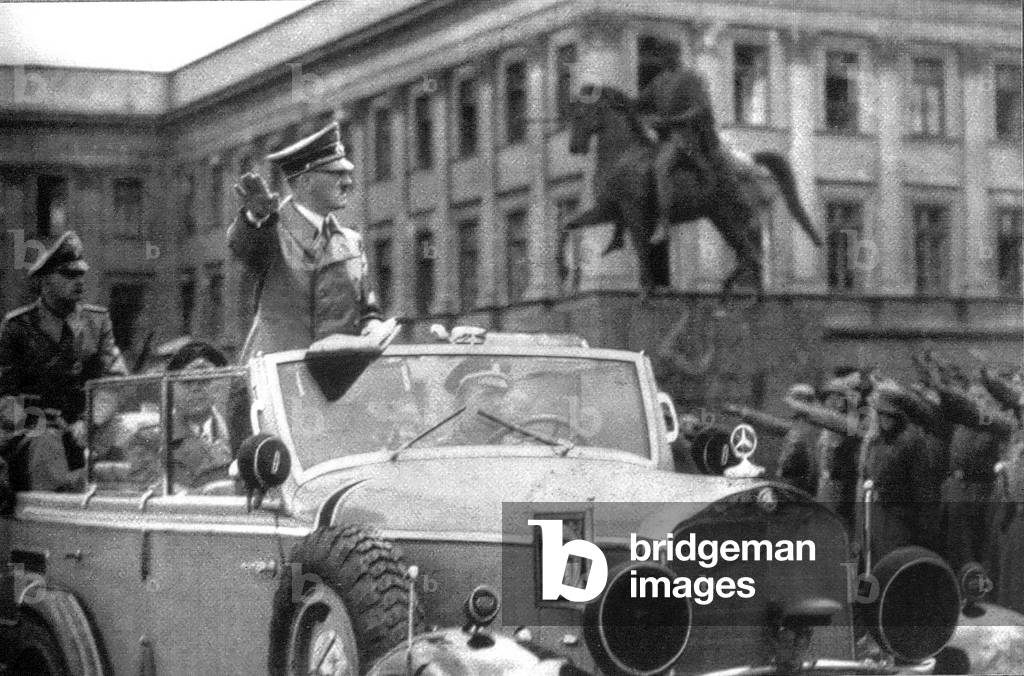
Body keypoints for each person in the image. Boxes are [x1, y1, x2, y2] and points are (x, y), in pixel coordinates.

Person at [228, 121, 386, 360]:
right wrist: (255, 218)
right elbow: (245, 247)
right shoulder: (271, 231)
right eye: (337, 174)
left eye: (347, 173)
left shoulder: (352, 242)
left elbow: (368, 312)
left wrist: (373, 327)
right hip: (281, 381)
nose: (348, 182)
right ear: (305, 182)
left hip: (339, 382)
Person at [0, 231, 127, 491]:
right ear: (45, 281)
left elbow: (113, 381)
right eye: (68, 275)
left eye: (81, 273)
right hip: (32, 433)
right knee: (47, 448)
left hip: (87, 427)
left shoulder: (97, 321)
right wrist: (36, 422)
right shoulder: (17, 327)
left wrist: (88, 420)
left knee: (132, 439)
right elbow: (4, 396)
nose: (79, 281)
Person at [637, 48, 744, 246]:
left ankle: (664, 221)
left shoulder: (690, 78)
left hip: (684, 137)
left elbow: (700, 108)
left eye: (669, 56)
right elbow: (640, 102)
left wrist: (669, 120)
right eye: (663, 57)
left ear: (676, 56)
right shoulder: (659, 81)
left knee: (661, 167)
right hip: (662, 136)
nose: (665, 60)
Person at [126, 341, 234, 491]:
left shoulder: (237, 435)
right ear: (172, 387)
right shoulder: (148, 440)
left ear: (219, 385)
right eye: (187, 381)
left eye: (205, 380)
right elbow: (149, 495)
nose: (196, 389)